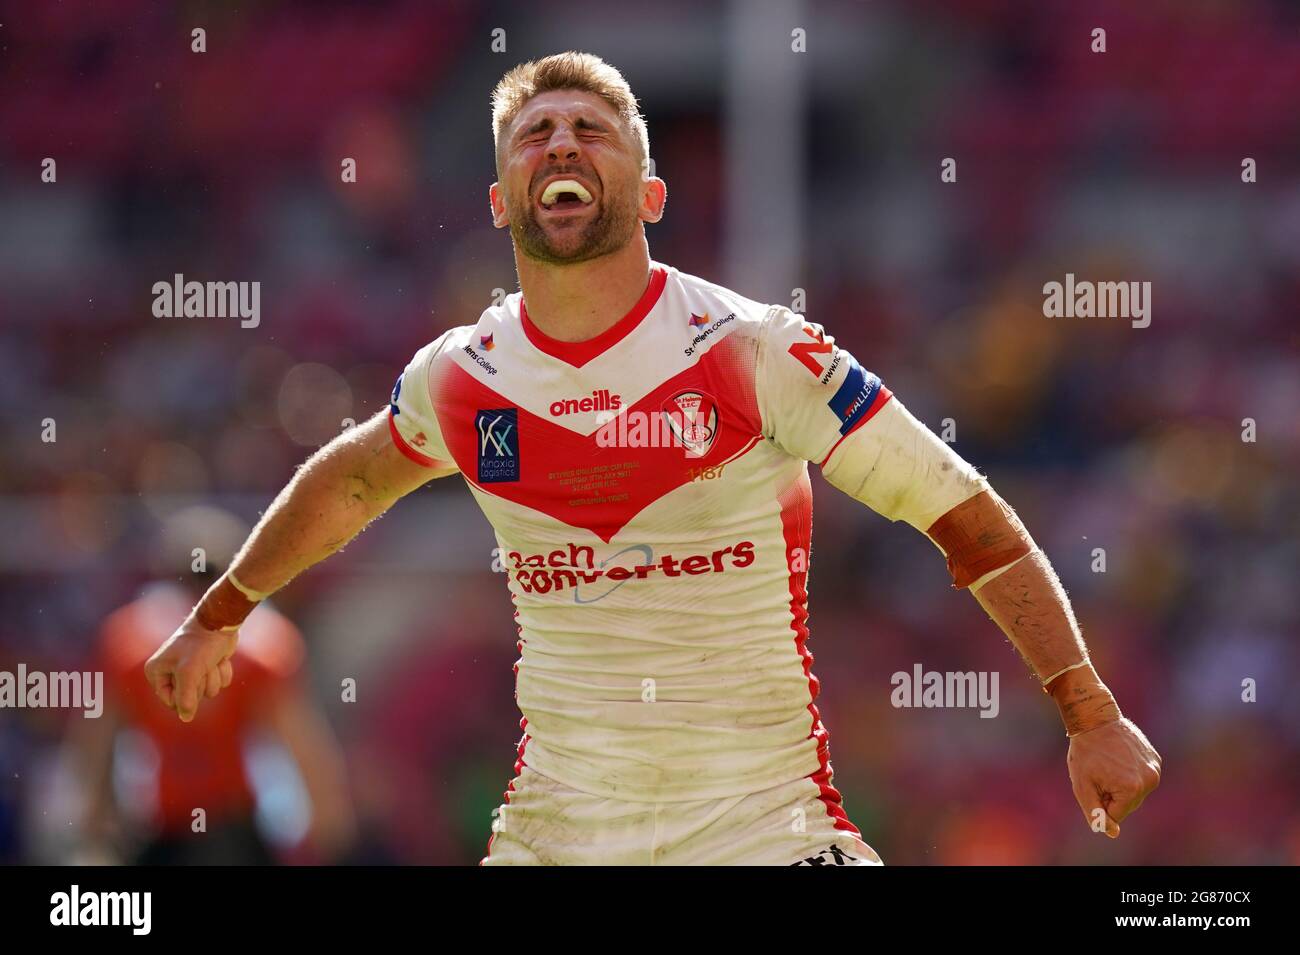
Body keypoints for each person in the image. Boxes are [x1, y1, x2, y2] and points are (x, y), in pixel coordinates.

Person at [145, 52, 1159, 865]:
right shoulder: (459, 378)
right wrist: (221, 611)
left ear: (651, 188)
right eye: (533, 134)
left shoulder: (759, 351)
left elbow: (963, 516)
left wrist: (1089, 711)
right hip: (557, 833)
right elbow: (356, 475)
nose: (560, 144)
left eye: (592, 129)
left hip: (763, 831)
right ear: (501, 199)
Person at [78, 511, 355, 864]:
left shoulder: (128, 640)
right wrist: (329, 822)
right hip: (233, 831)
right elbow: (302, 744)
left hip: (161, 830)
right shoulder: (266, 643)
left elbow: (98, 742)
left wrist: (93, 817)